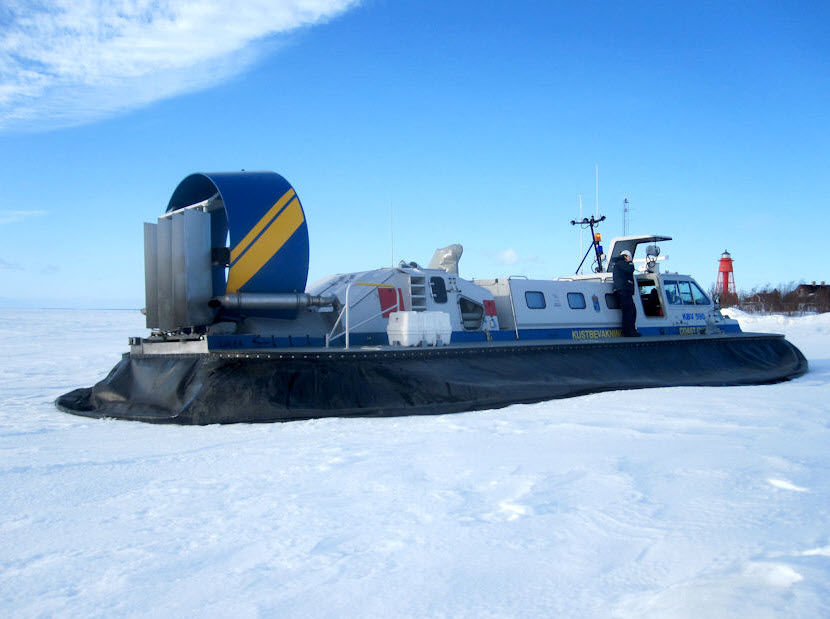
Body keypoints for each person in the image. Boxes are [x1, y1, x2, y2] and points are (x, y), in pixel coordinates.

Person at [612, 250, 641, 337]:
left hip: (624, 290)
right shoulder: (621, 263)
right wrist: (630, 262)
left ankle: (630, 330)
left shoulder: (619, 264)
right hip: (623, 291)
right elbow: (630, 269)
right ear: (626, 257)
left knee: (631, 311)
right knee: (629, 311)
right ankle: (628, 332)